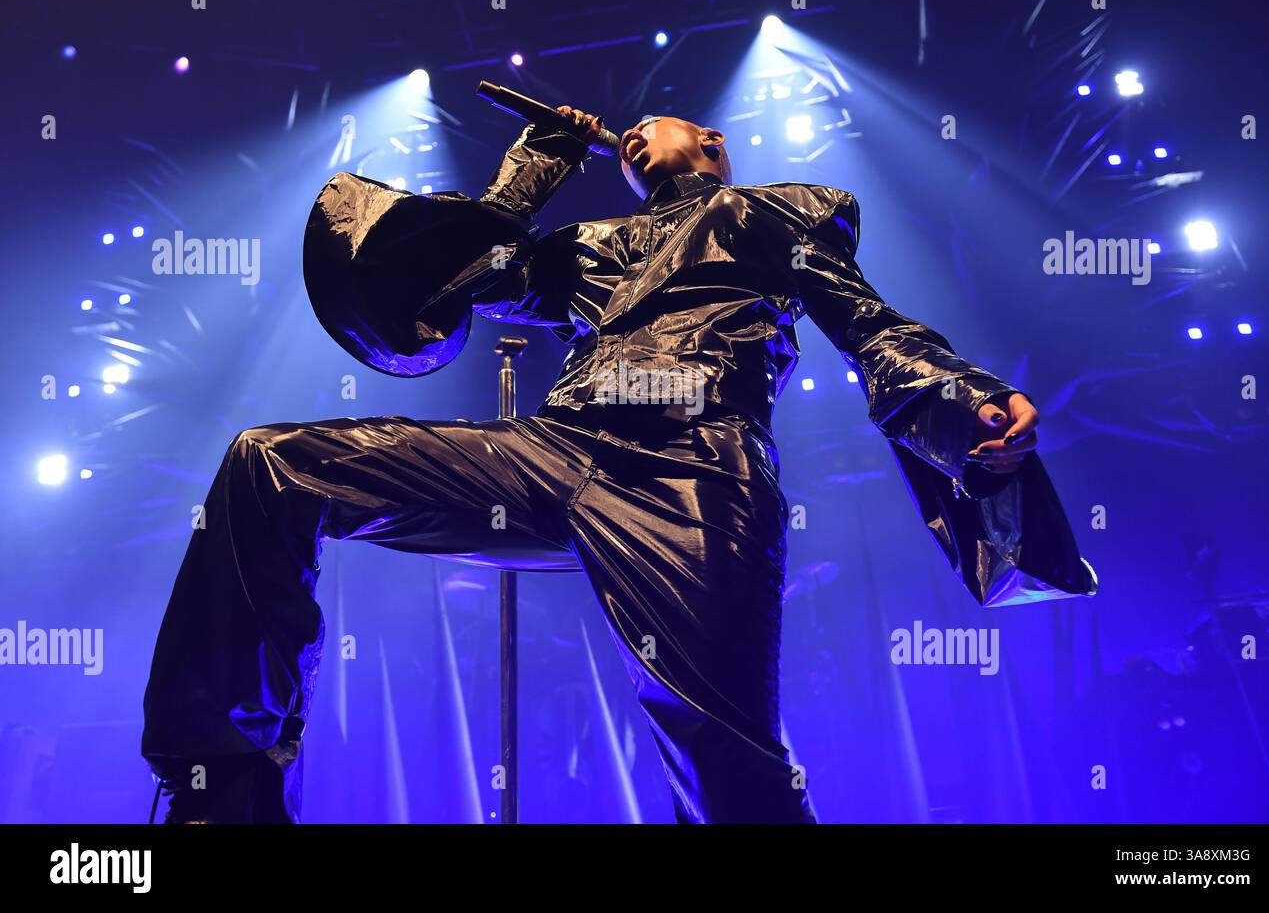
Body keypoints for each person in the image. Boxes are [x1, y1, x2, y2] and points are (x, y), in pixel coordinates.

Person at [142, 105, 1096, 823]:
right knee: (272, 464)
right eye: (624, 133)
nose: (634, 133)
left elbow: (866, 322)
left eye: (656, 125)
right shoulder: (585, 247)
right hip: (559, 450)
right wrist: (530, 176)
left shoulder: (782, 209)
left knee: (727, 763)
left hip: (692, 470)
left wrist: (960, 393)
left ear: (713, 140)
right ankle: (223, 790)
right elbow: (439, 293)